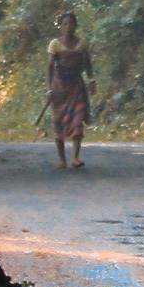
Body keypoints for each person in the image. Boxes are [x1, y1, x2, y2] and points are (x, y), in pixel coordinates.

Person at [45, 12, 97, 169]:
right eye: (65, 24)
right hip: (59, 89)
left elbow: (87, 64)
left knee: (77, 121)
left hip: (76, 87)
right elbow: (49, 69)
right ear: (60, 27)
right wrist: (49, 90)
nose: (68, 27)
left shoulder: (81, 44)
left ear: (76, 26)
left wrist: (91, 80)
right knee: (58, 122)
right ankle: (62, 159)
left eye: (71, 24)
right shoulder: (54, 44)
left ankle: (75, 157)